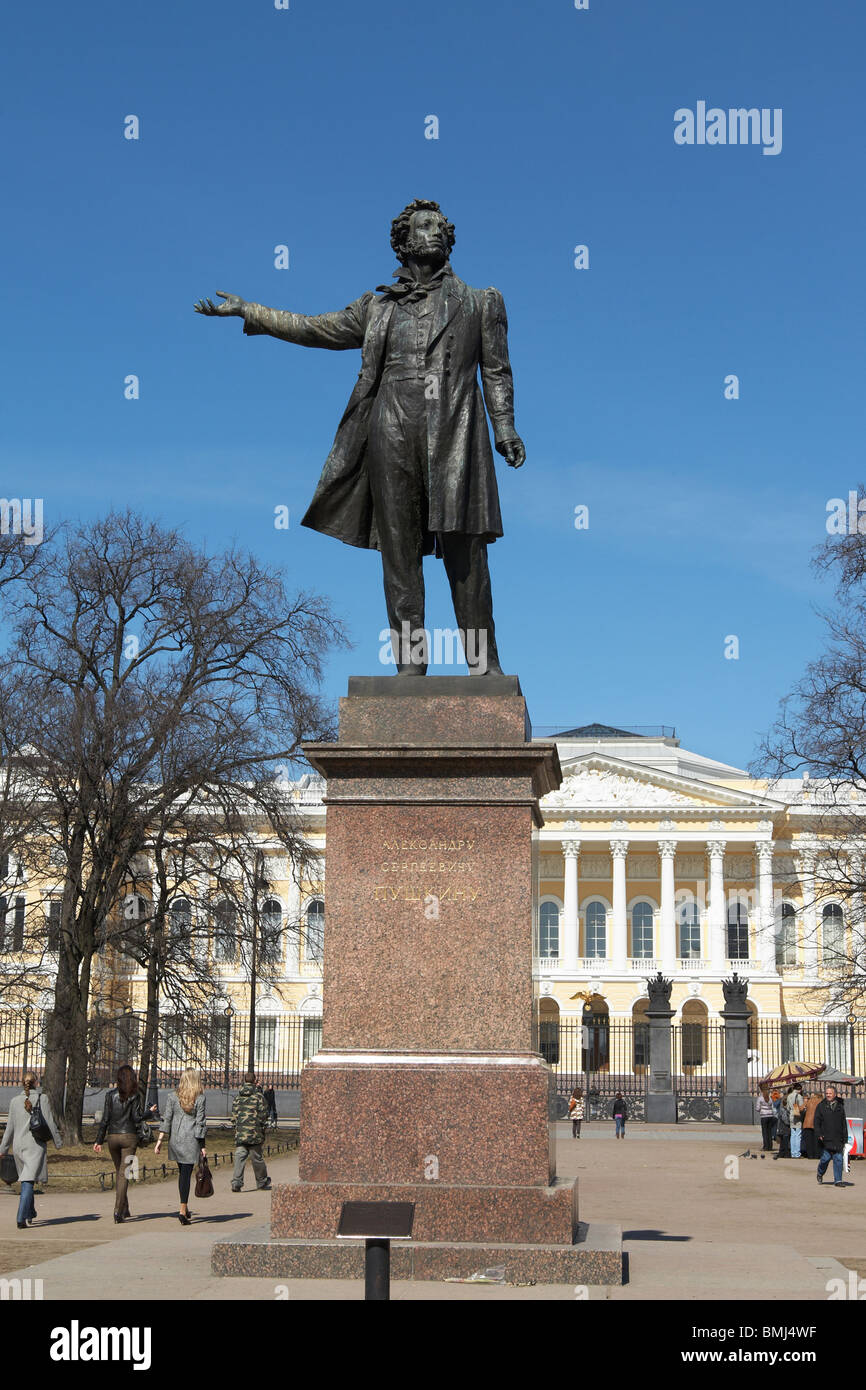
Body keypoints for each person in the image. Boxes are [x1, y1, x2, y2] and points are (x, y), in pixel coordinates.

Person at [195, 199, 526, 676]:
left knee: (465, 550)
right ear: (403, 242)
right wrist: (252, 311)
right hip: (390, 426)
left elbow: (496, 369)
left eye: (440, 226)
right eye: (424, 226)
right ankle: (410, 667)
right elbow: (315, 328)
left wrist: (505, 425)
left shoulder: (480, 301)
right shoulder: (376, 307)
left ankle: (483, 666)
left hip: (456, 428)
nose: (434, 231)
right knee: (399, 550)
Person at [93, 1064, 156, 1222]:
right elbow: (136, 1118)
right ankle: (117, 1211)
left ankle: (125, 1207)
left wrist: (99, 1140)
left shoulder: (110, 1095)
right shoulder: (134, 1095)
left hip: (112, 1138)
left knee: (120, 1172)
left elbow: (105, 1119)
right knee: (124, 1174)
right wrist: (149, 1113)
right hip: (129, 1138)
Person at [0, 1072, 62, 1228]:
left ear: (23, 1083)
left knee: (28, 1179)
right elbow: (50, 1122)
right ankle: (20, 1217)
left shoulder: (14, 1101)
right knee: (27, 1181)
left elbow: (9, 1129)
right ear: (36, 1083)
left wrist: (3, 1149)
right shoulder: (42, 1098)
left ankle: (30, 1212)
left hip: (18, 1147)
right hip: (35, 1146)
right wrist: (58, 1142)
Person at [154, 1068, 207, 1224]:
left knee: (182, 1173)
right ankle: (182, 1211)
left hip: (176, 1140)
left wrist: (160, 1140)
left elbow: (167, 1119)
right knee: (186, 1174)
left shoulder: (172, 1096)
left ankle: (185, 1207)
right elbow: (200, 1123)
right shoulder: (200, 1098)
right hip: (191, 1140)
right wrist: (202, 1145)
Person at [231, 1071, 272, 1193]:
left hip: (241, 1133)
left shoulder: (238, 1097)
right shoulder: (259, 1097)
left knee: (240, 1156)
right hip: (255, 1133)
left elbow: (234, 1116)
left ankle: (236, 1182)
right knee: (257, 1158)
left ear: (244, 1081)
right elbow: (264, 1114)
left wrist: (238, 1128)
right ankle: (261, 1181)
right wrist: (261, 1126)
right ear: (255, 1081)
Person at [815, 1084, 849, 1187]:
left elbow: (843, 1123)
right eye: (827, 1093)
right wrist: (819, 1133)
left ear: (835, 1094)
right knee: (825, 1159)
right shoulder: (821, 1106)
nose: (828, 1095)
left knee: (838, 1159)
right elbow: (817, 1121)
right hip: (826, 1138)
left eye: (830, 1093)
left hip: (838, 1138)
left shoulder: (840, 1107)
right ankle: (820, 1172)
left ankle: (838, 1180)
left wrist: (845, 1139)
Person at [786, 1082, 806, 1159]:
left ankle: (793, 1153)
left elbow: (788, 1108)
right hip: (797, 1115)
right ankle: (797, 1153)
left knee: (793, 1135)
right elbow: (801, 1108)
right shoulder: (799, 1096)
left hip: (791, 1115)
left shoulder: (789, 1096)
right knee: (798, 1135)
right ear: (799, 1089)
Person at [801, 1089, 821, 1160]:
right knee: (816, 1141)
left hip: (807, 1123)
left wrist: (804, 1102)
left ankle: (810, 1155)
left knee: (808, 1141)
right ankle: (816, 1155)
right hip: (816, 1123)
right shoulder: (821, 1102)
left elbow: (801, 1109)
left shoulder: (809, 1101)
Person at [756, 1086, 776, 1151]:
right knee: (769, 1131)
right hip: (770, 1116)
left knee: (764, 1132)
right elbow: (772, 1107)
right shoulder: (770, 1098)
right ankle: (770, 1146)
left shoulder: (760, 1098)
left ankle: (766, 1146)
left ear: (762, 1091)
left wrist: (760, 1110)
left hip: (764, 1116)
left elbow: (757, 1108)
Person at [775, 1088, 791, 1158]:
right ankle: (785, 1153)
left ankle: (781, 1153)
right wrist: (789, 1123)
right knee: (785, 1140)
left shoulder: (782, 1108)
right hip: (784, 1127)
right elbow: (785, 1119)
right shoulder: (784, 1109)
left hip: (781, 1127)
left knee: (783, 1141)